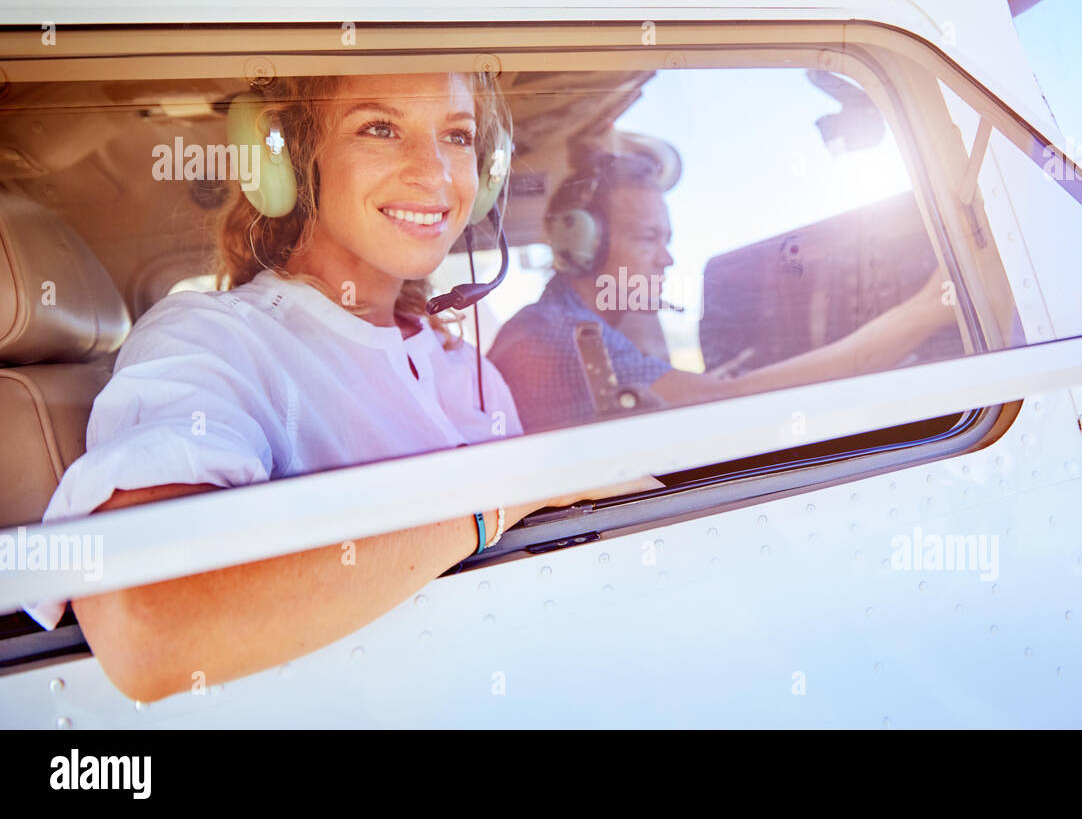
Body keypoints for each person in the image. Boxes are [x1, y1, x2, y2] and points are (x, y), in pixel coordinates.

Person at [23, 71, 652, 702]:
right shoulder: (213, 339)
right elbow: (149, 624)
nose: (433, 173)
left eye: (458, 136)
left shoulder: (468, 368)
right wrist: (502, 495)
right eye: (379, 129)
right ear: (291, 166)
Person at [489, 150, 952, 432]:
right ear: (583, 243)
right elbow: (722, 407)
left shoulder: (556, 324)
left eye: (667, 241)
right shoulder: (560, 337)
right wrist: (928, 309)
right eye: (649, 238)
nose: (666, 260)